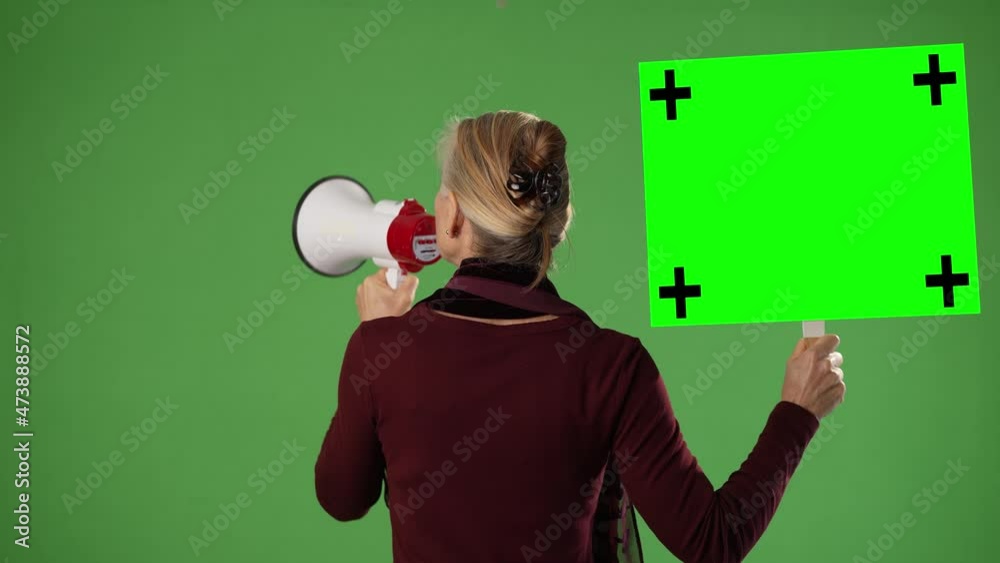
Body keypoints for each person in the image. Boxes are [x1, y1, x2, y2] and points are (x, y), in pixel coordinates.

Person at [314, 111, 846, 563]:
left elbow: (342, 498)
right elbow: (712, 541)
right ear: (559, 222)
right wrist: (797, 411)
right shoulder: (612, 364)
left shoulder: (379, 350)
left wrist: (378, 340)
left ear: (450, 216)